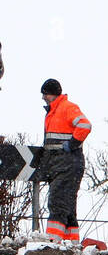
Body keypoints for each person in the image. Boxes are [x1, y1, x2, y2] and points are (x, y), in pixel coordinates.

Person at [40, 78, 92, 244]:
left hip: (67, 163)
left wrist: (72, 144)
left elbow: (85, 125)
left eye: (45, 94)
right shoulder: (54, 112)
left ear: (51, 94)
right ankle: (71, 243)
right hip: (62, 164)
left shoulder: (67, 108)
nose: (43, 98)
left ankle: (52, 243)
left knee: (57, 203)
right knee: (68, 207)